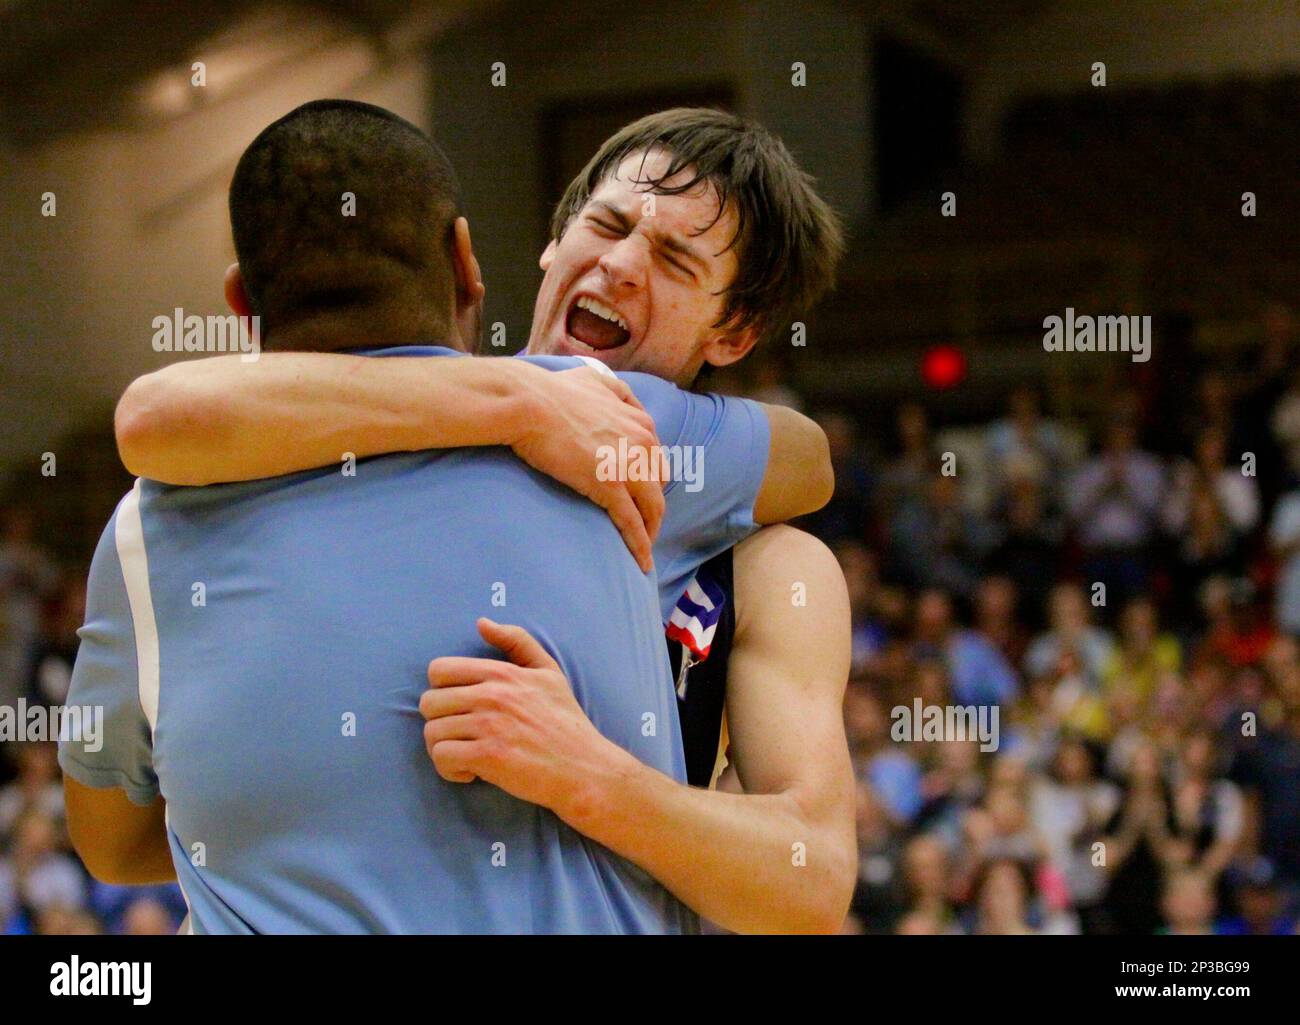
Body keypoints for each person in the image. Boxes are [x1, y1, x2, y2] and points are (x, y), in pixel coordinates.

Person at [60, 101, 839, 934]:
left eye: (675, 261)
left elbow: (813, 883)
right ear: (538, 244)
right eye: (606, 225)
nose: (618, 265)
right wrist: (519, 399)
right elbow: (156, 416)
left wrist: (590, 775)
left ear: (736, 331)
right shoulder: (387, 418)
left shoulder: (746, 541)